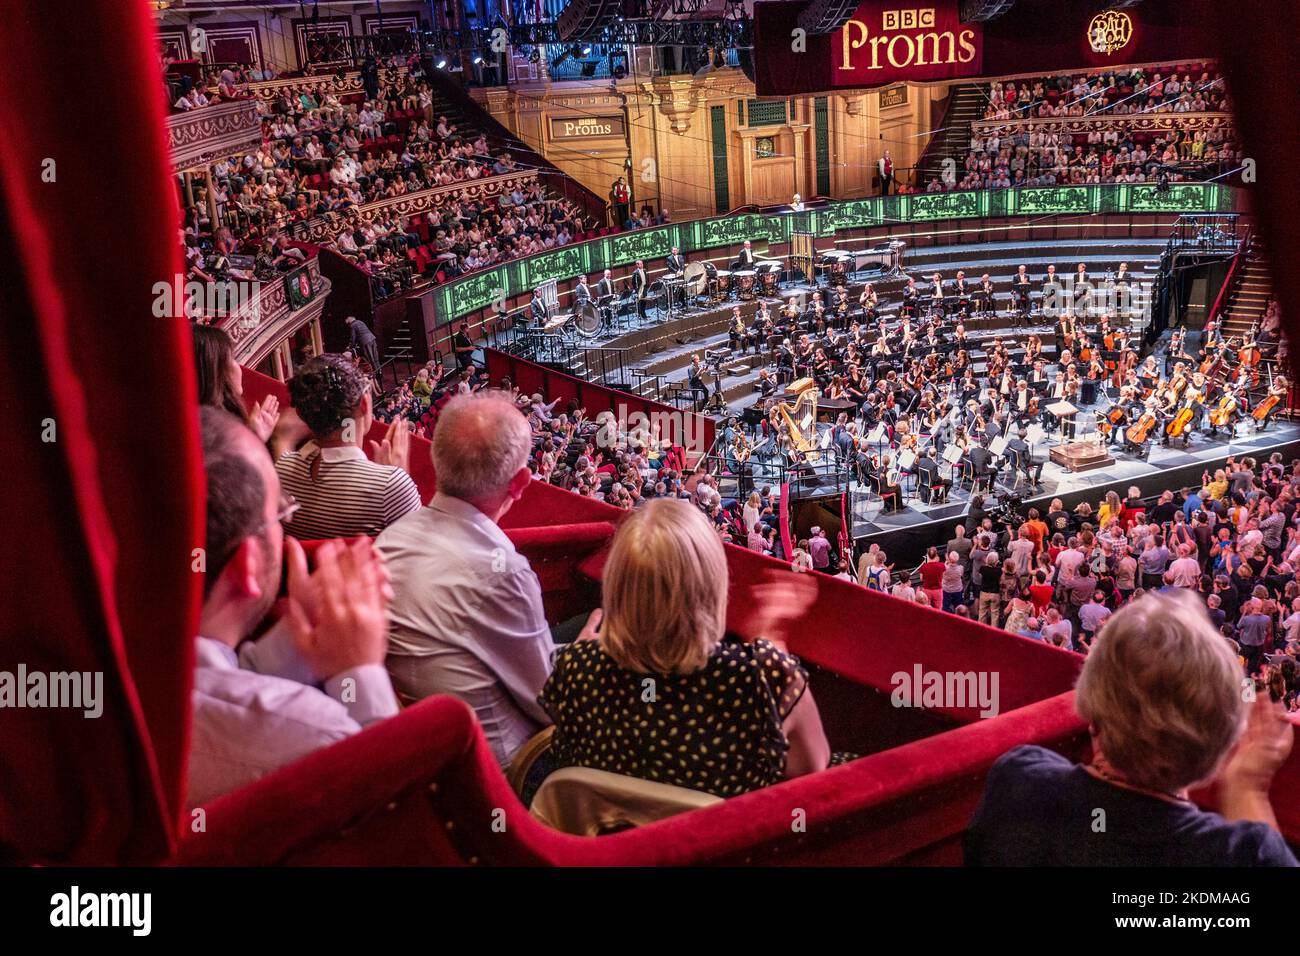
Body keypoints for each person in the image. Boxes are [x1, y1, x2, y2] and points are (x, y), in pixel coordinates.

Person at [966, 590, 1297, 866]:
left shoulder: (1019, 781)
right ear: (1219, 745)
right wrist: (1246, 788)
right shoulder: (1242, 855)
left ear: (1092, 706)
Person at [540, 500, 830, 797]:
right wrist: (771, 650)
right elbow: (812, 769)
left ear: (616, 587)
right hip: (731, 827)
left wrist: (582, 659)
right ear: (713, 586)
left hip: (606, 825)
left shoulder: (575, 666)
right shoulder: (764, 675)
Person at [188, 407, 399, 808]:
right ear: (248, 564)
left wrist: (299, 638)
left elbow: (218, 683)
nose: (284, 526)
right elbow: (399, 811)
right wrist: (361, 671)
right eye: (279, 515)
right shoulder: (312, 732)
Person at [377, 392, 555, 765]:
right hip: (502, 769)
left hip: (421, 753)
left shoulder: (390, 539)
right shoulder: (503, 573)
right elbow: (548, 704)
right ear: (520, 482)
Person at [276, 354, 421, 539]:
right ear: (364, 404)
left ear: (301, 414)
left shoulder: (279, 471)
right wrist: (396, 480)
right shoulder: (390, 486)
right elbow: (419, 549)